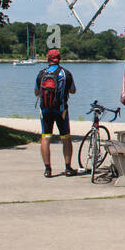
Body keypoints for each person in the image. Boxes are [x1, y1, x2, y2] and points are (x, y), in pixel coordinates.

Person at [35, 49, 77, 177]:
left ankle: (48, 169)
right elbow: (73, 90)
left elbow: (37, 92)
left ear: (48, 59)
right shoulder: (66, 73)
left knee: (45, 137)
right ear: (59, 58)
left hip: (45, 109)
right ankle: (68, 168)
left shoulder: (42, 73)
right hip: (61, 110)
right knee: (65, 137)